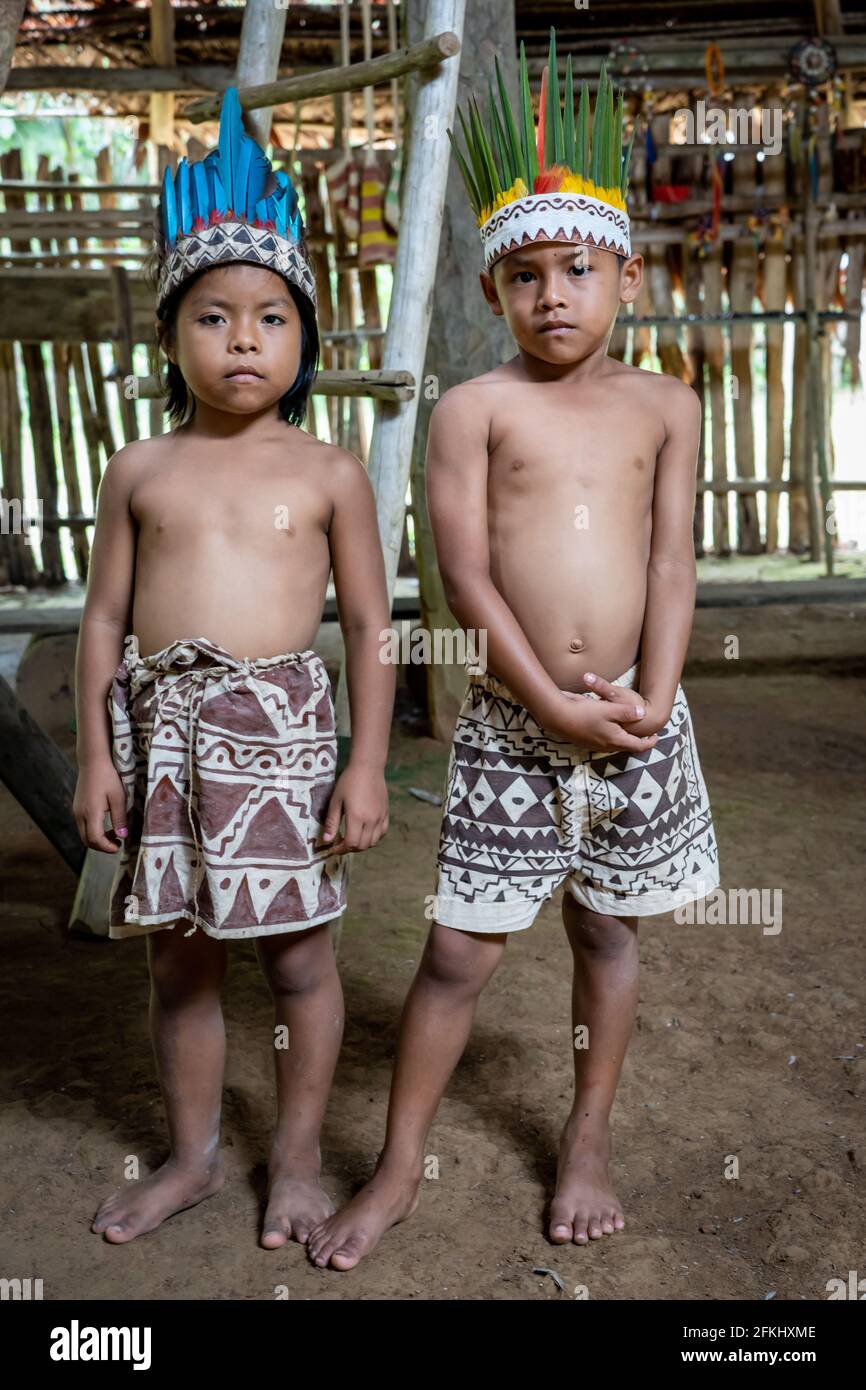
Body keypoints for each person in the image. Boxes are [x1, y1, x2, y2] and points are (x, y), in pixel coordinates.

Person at [307, 32, 720, 1271]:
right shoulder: (473, 410)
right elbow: (466, 576)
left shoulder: (665, 405)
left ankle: (583, 1139)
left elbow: (668, 563)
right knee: (453, 953)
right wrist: (546, 698)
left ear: (624, 281)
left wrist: (651, 693)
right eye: (525, 272)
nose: (552, 294)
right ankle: (392, 1167)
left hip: (632, 721)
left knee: (606, 932)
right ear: (492, 291)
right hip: (509, 726)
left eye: (577, 269)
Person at [73, 88, 395, 1246]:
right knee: (182, 962)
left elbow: (366, 627)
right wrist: (93, 759)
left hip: (285, 743)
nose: (243, 337)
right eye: (212, 316)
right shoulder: (140, 470)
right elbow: (103, 619)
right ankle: (197, 1155)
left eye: (270, 316)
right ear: (169, 334)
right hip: (161, 738)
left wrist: (364, 765)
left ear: (306, 338)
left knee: (301, 961)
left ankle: (299, 1164)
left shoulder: (328, 474)